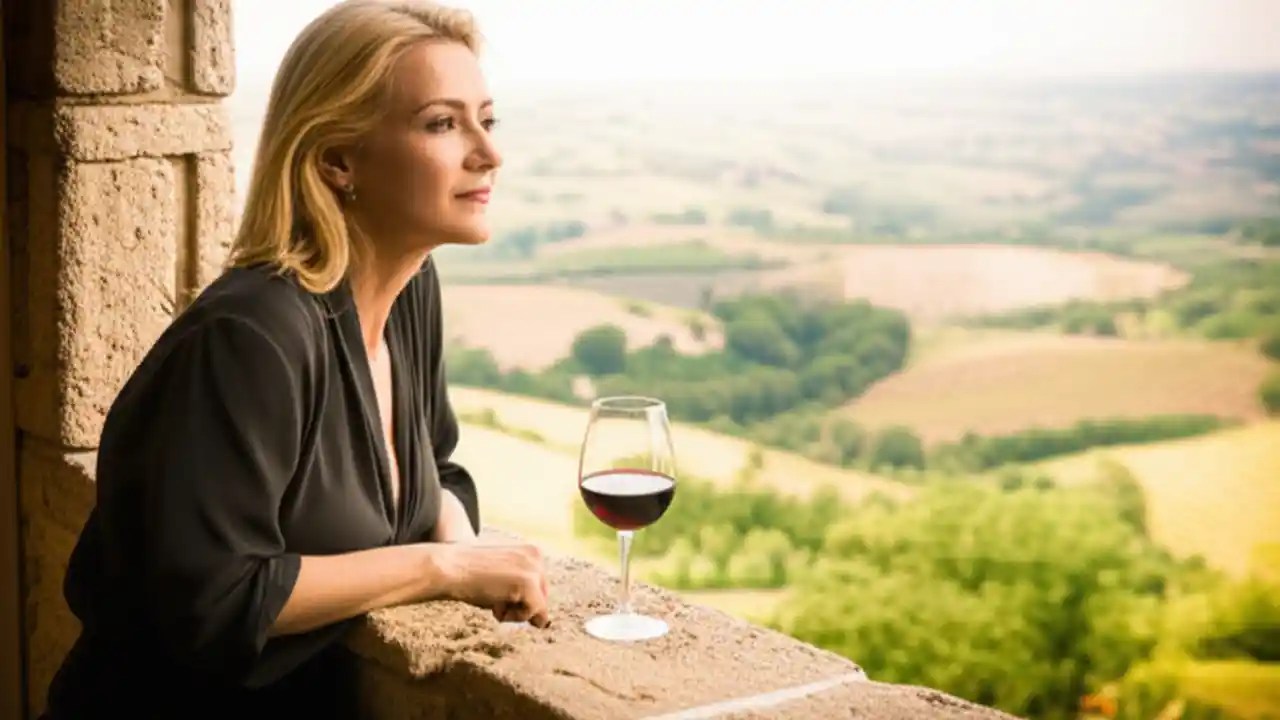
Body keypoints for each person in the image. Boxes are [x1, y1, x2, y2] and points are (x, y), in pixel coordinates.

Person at [41, 1, 550, 716]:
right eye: (442, 123)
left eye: (486, 120)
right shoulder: (251, 336)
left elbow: (436, 474)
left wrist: (468, 556)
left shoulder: (409, 291)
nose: (488, 153)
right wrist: (443, 568)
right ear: (336, 159)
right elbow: (214, 598)